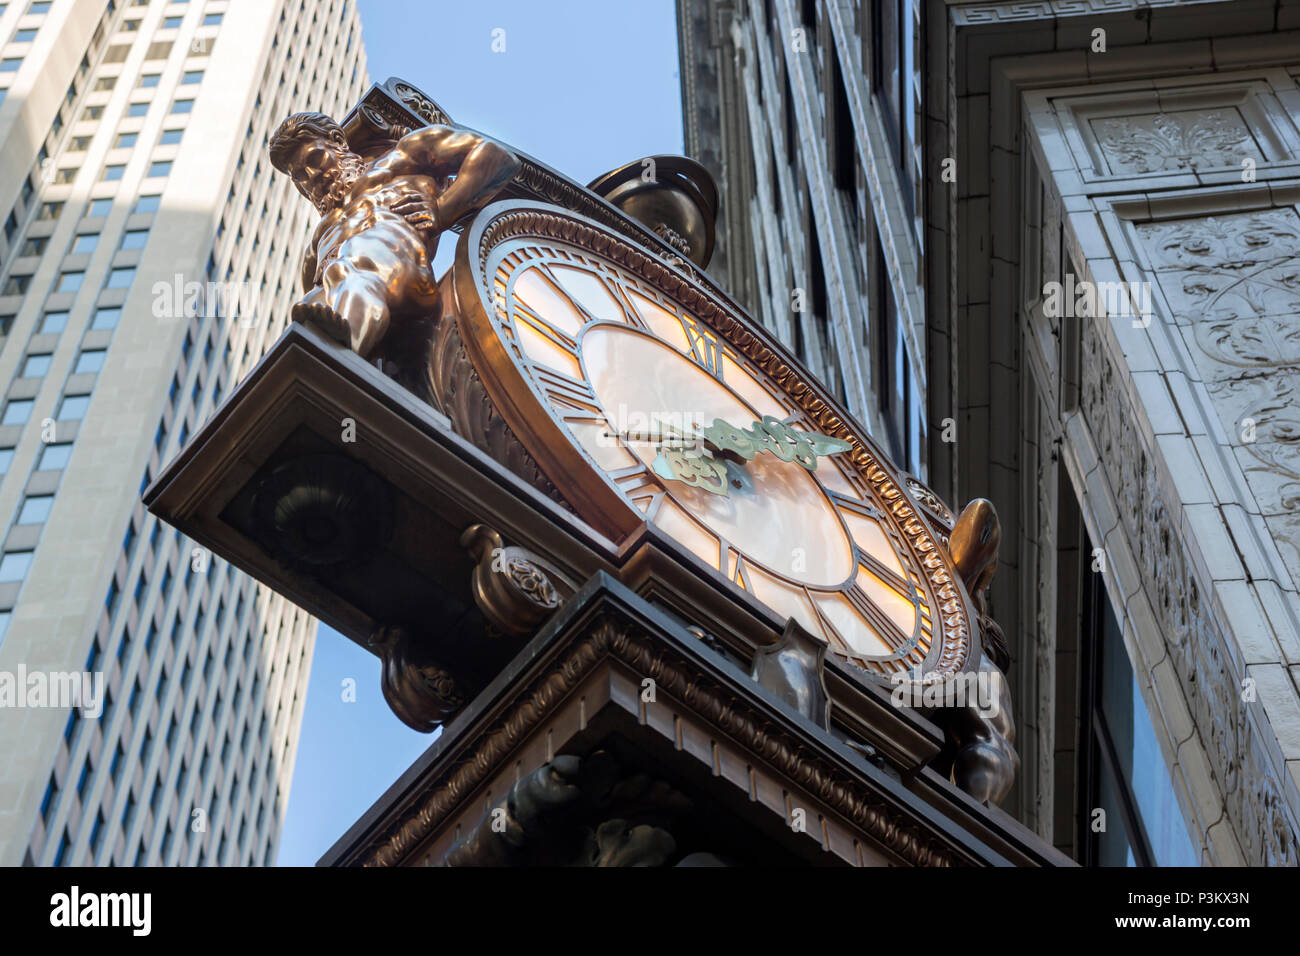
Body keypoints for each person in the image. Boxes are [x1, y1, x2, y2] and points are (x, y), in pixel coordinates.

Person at [268, 111, 520, 357]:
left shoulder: (403, 157)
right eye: (300, 176)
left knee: (354, 254)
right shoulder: (316, 245)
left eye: (314, 159)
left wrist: (443, 210)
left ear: (337, 140)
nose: (312, 177)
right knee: (314, 302)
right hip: (368, 316)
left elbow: (496, 157)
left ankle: (340, 356)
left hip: (407, 283)